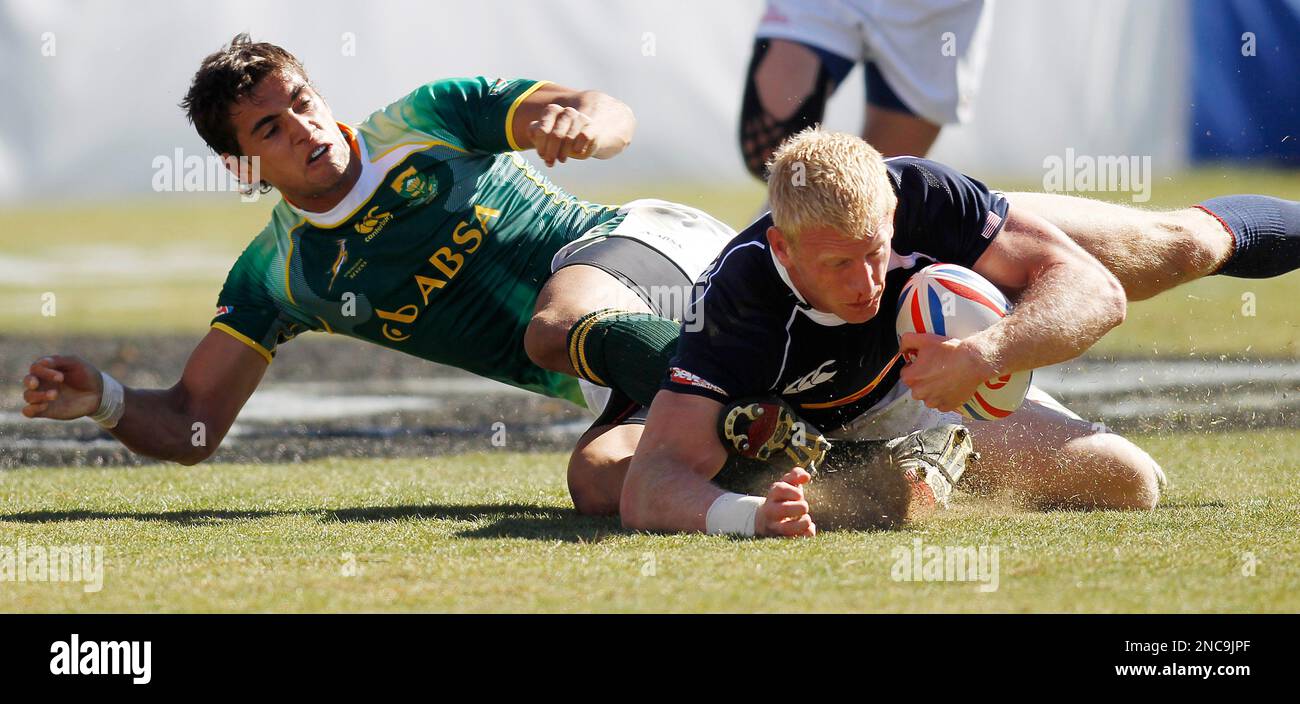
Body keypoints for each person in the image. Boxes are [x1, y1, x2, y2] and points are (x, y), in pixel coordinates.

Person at [15, 34, 732, 518]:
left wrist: (588, 131)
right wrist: (105, 400)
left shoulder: (430, 118)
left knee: (551, 328)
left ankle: (739, 394)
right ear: (243, 169)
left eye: (301, 101)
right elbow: (190, 425)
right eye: (269, 129)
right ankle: (779, 466)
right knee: (601, 481)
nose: (301, 127)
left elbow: (603, 111)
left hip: (665, 259)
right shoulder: (279, 277)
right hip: (623, 366)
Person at [618, 128, 1300, 536]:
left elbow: (1097, 294)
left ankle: (920, 462)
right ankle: (885, 465)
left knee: (1180, 252)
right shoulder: (736, 301)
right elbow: (649, 484)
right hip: (835, 418)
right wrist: (751, 517)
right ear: (785, 249)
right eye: (837, 265)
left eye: (875, 251)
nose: (866, 282)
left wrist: (985, 352)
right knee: (598, 478)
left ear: (892, 212)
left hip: (941, 373)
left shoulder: (924, 197)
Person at [739, 0, 994, 177]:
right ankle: (775, 229)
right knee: (768, 147)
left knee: (878, 182)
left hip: (935, 11)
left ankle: (795, 228)